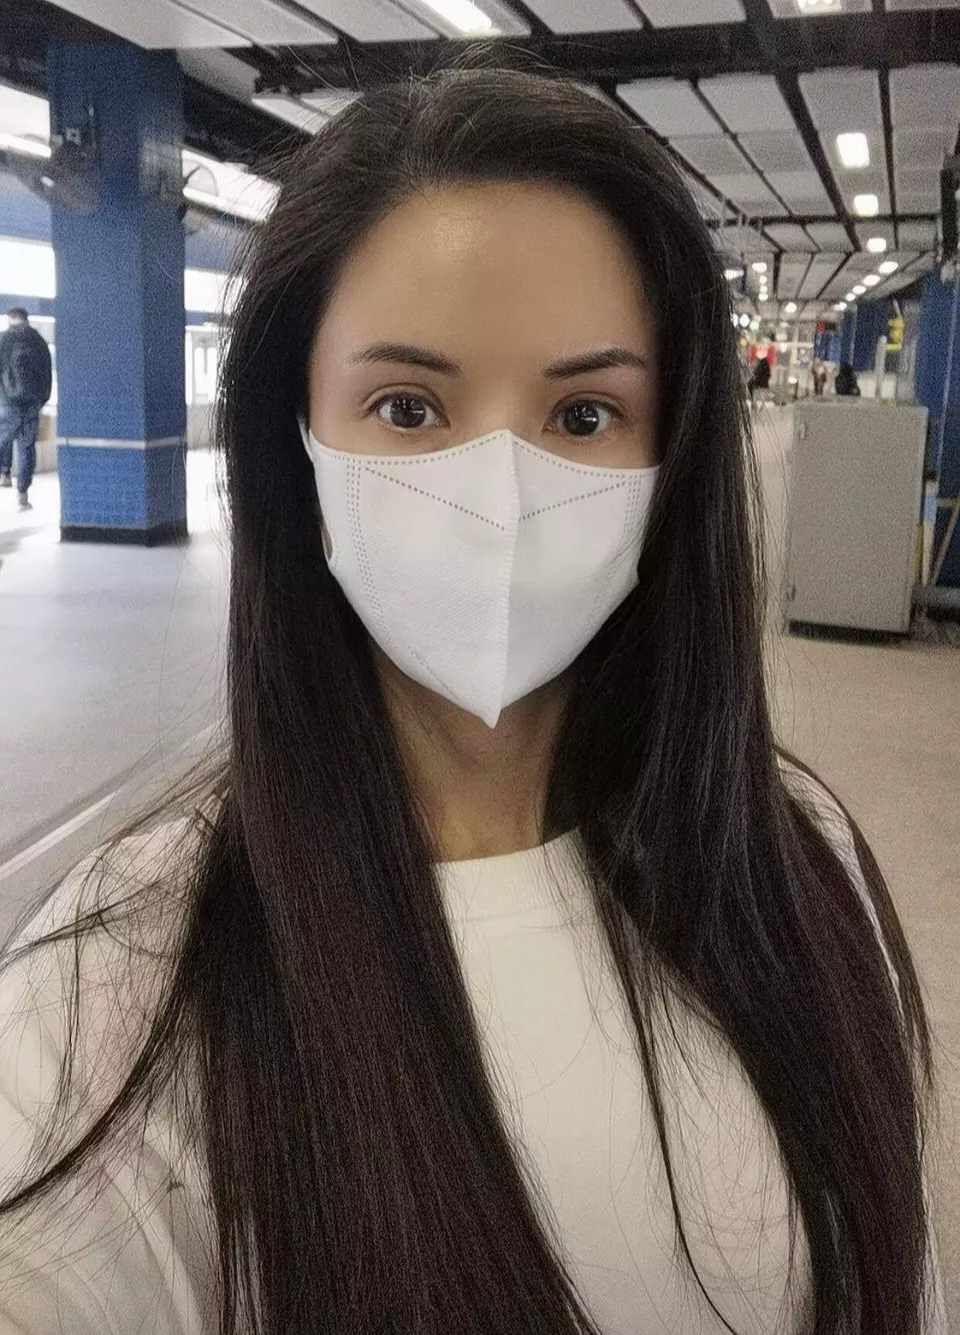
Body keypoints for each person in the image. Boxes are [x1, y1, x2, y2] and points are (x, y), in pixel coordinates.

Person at [0, 65, 946, 1335]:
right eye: (409, 407)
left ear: (672, 460)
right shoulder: (121, 989)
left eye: (584, 412)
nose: (499, 490)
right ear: (296, 443)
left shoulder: (796, 867)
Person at [0, 306, 52, 510]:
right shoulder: (38, 340)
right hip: (32, 401)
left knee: (3, 438)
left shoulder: (3, 339)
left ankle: (4, 473)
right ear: (26, 319)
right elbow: (47, 372)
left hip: (8, 401)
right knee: (27, 446)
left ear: (11, 318)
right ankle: (22, 493)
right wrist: (42, 399)